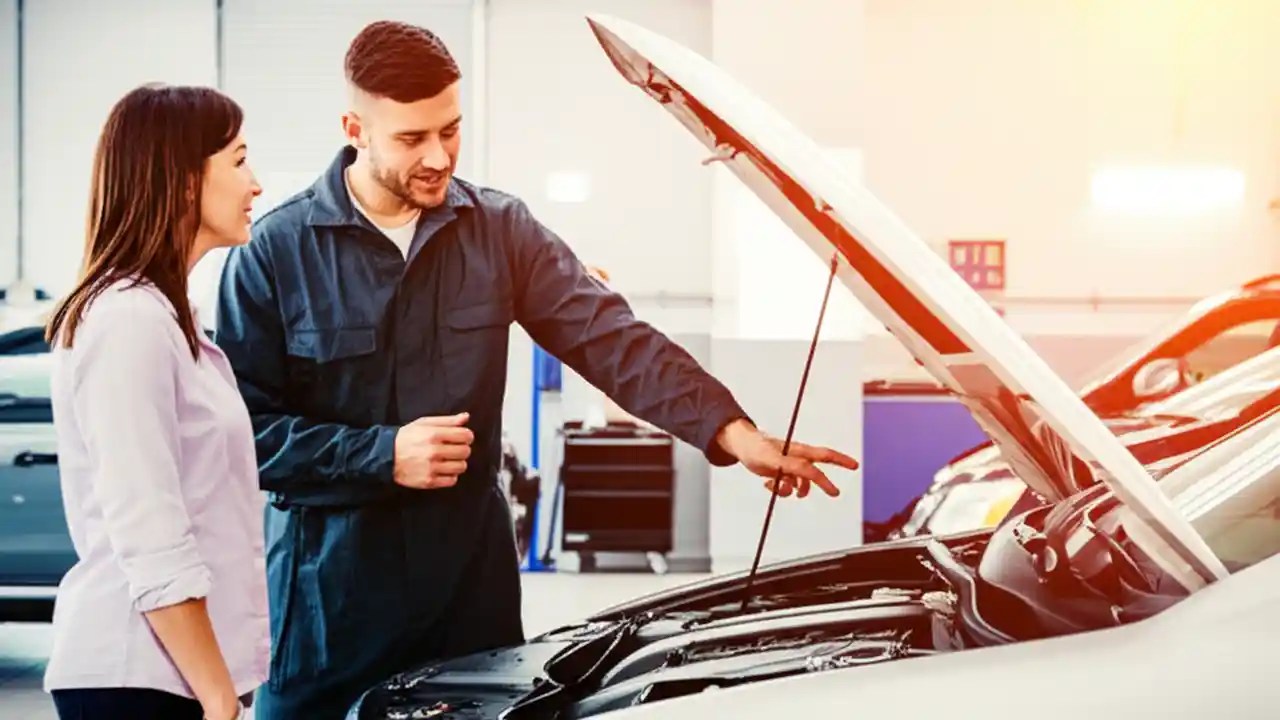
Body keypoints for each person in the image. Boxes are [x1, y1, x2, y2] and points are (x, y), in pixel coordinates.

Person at [214, 20, 859, 719]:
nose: (440, 156)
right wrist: (380, 454)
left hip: (466, 599)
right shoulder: (275, 252)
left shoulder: (499, 231)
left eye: (451, 130)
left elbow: (610, 338)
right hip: (331, 606)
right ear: (354, 127)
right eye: (412, 138)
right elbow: (244, 435)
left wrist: (734, 433)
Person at [42, 84, 267, 720]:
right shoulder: (127, 322)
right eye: (240, 159)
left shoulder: (166, 318)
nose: (257, 183)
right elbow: (151, 532)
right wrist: (219, 698)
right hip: (135, 676)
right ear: (184, 179)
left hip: (170, 678)